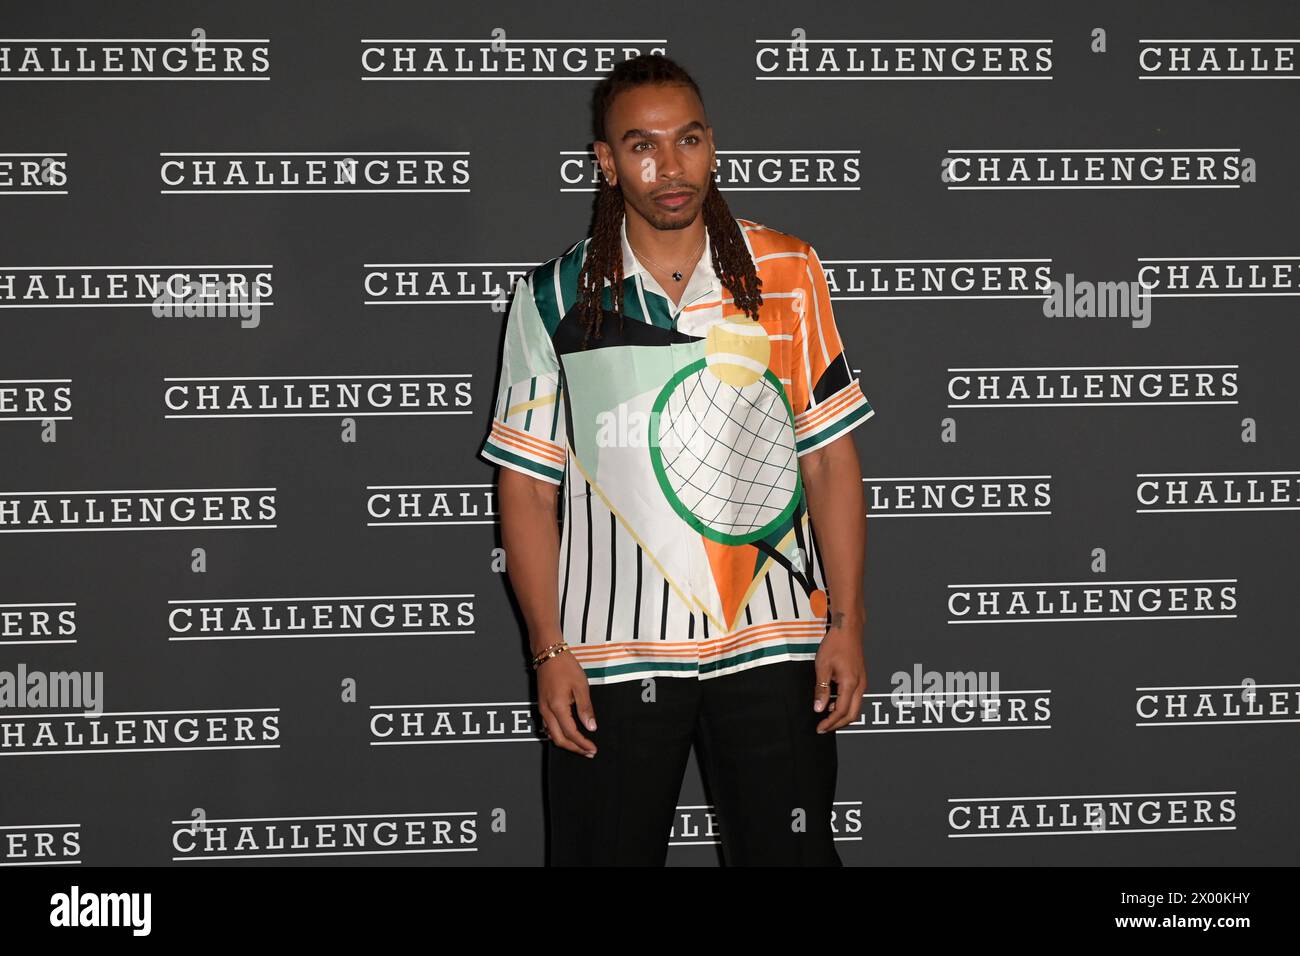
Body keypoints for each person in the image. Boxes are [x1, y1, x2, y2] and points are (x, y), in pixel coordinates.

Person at [478, 53, 874, 866]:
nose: (670, 166)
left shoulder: (788, 272)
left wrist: (847, 623)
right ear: (606, 161)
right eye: (642, 145)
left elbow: (829, 460)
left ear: (713, 146)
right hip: (611, 658)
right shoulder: (553, 298)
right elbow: (526, 488)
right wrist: (548, 648)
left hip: (774, 643)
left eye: (687, 140)